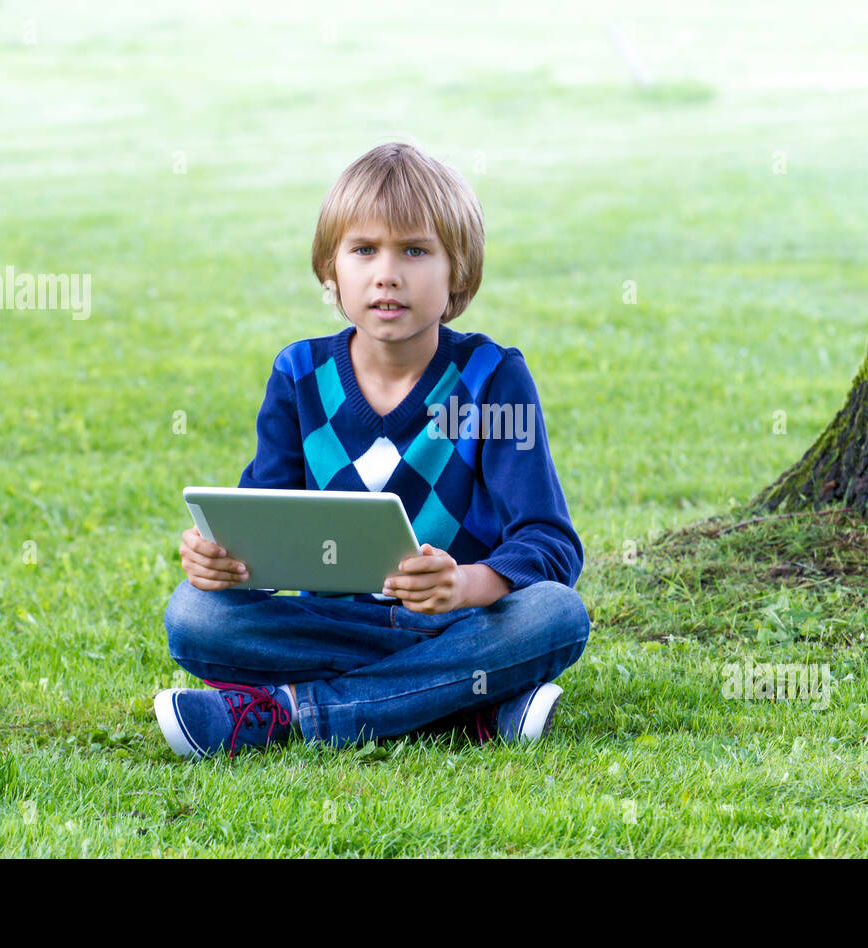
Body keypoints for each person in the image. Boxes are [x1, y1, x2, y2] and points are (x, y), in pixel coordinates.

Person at [155, 141, 591, 759]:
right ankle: (463, 702)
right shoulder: (300, 375)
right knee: (194, 615)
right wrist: (219, 559)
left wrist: (464, 584)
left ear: (458, 272)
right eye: (363, 250)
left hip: (459, 622)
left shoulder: (492, 377)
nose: (387, 273)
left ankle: (291, 712)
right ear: (331, 270)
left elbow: (550, 542)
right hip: (334, 627)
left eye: (415, 250)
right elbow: (264, 524)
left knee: (556, 614)